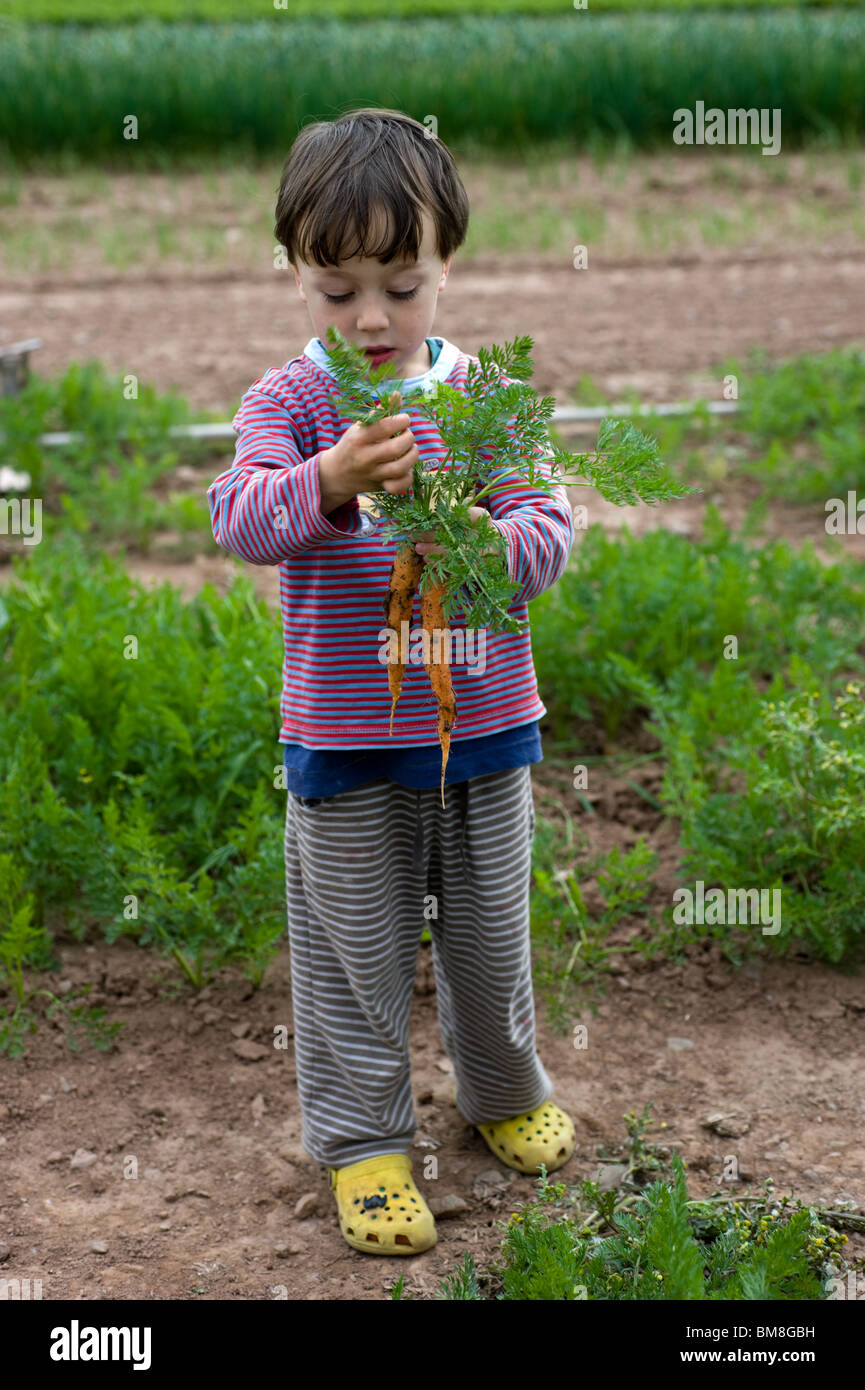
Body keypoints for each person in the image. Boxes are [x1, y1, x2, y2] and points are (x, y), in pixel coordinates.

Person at [207, 107, 577, 1258]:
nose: (369, 316)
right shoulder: (290, 406)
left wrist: (473, 541)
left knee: (488, 938)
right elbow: (242, 521)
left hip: (485, 731)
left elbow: (548, 534)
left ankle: (502, 1089)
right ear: (299, 277)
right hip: (345, 736)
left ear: (446, 266)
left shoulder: (490, 401)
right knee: (351, 953)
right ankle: (364, 1138)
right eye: (336, 289)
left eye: (401, 286)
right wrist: (323, 479)